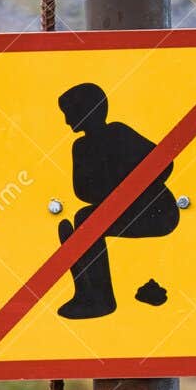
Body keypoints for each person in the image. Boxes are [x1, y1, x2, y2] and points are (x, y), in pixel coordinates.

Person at [54, 82, 180, 319]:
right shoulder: (80, 147)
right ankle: (86, 291)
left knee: (86, 221)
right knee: (83, 219)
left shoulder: (118, 132)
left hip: (157, 211)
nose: (67, 121)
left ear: (86, 110)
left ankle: (101, 299)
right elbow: (82, 191)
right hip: (120, 210)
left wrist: (131, 189)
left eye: (69, 113)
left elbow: (164, 163)